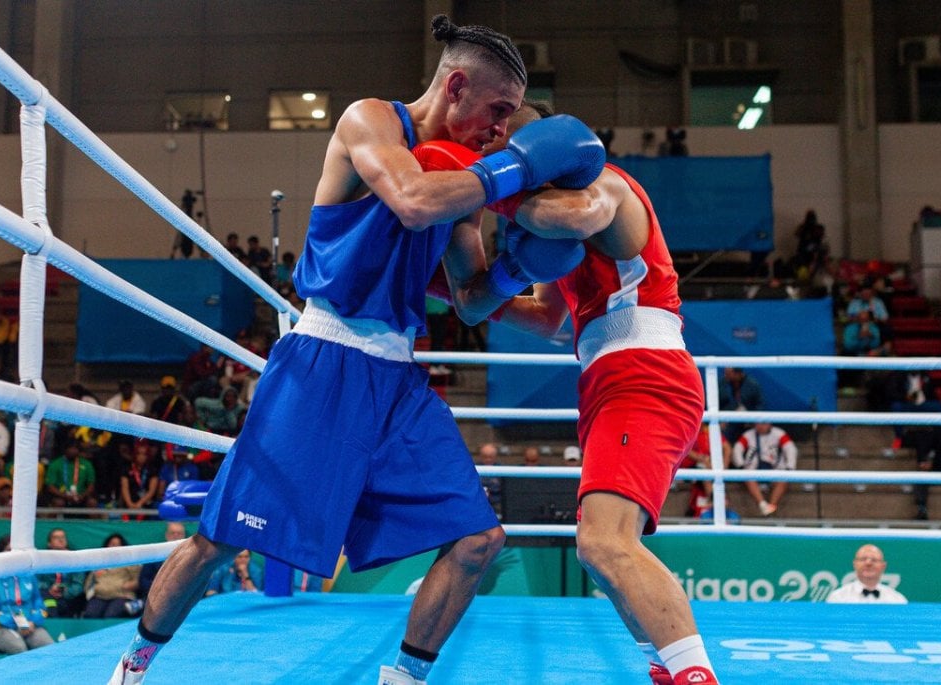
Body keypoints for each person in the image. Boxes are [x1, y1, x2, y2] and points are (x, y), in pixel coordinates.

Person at [107, 14, 605, 685]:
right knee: (220, 540)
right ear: (455, 85)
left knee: (479, 539)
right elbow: (410, 199)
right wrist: (513, 170)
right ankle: (133, 666)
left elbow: (471, 298)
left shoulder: (468, 183)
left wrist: (522, 273)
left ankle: (403, 677)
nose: (501, 130)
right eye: (497, 110)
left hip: (397, 379)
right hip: (321, 362)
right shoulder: (371, 121)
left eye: (511, 120)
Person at [439, 101, 715, 684]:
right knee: (602, 546)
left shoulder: (607, 186)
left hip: (646, 373)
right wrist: (468, 291)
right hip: (607, 378)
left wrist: (467, 182)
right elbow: (547, 318)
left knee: (604, 542)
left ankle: (695, 676)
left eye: (509, 139)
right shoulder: (539, 226)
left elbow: (571, 217)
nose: (497, 143)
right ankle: (666, 669)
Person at [0, 534, 56, 654]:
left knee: (50, 648)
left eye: (17, 551)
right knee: (19, 649)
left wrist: (32, 622)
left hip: (30, 626)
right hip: (0, 628)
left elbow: (39, 604)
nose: (14, 555)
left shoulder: (29, 575)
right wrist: (17, 623)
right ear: (0, 553)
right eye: (9, 550)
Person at [731, 421, 798, 517]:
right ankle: (762, 504)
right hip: (754, 470)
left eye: (763, 423)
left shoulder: (779, 433)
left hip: (775, 470)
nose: (760, 426)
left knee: (783, 479)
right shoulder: (748, 434)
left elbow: (790, 448)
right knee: (747, 476)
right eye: (758, 423)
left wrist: (790, 467)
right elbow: (737, 448)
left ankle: (771, 507)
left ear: (770, 423)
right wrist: (741, 465)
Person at [825, 544, 908, 604]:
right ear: (854, 564)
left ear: (883, 566)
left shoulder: (897, 600)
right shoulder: (838, 598)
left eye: (874, 560)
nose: (868, 563)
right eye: (863, 559)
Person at [85, 533, 143, 618]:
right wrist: (90, 593)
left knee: (111, 615)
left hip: (121, 596)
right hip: (100, 596)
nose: (114, 547)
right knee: (91, 614)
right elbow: (89, 583)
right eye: (112, 544)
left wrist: (128, 586)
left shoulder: (130, 562)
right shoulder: (99, 563)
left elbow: (138, 579)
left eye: (117, 544)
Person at [37, 528, 87, 618]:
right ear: (49, 543)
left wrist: (64, 591)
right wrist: (49, 589)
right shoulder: (41, 560)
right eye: (56, 537)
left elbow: (78, 585)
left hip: (69, 597)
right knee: (47, 600)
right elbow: (36, 582)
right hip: (47, 595)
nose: (61, 540)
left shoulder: (75, 559)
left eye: (63, 537)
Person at [138, 522, 188, 601]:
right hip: (156, 597)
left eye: (179, 533)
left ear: (184, 536)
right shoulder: (154, 556)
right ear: (167, 535)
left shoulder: (191, 556)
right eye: (173, 533)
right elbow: (144, 580)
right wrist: (160, 590)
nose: (176, 536)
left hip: (184, 597)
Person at [45, 443, 98, 511]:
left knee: (92, 503)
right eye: (71, 448)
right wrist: (64, 496)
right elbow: (50, 487)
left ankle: (93, 522)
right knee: (59, 503)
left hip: (81, 496)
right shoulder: (55, 464)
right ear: (65, 450)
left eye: (75, 448)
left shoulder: (86, 464)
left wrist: (82, 496)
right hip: (62, 496)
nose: (73, 451)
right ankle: (51, 521)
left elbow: (91, 485)